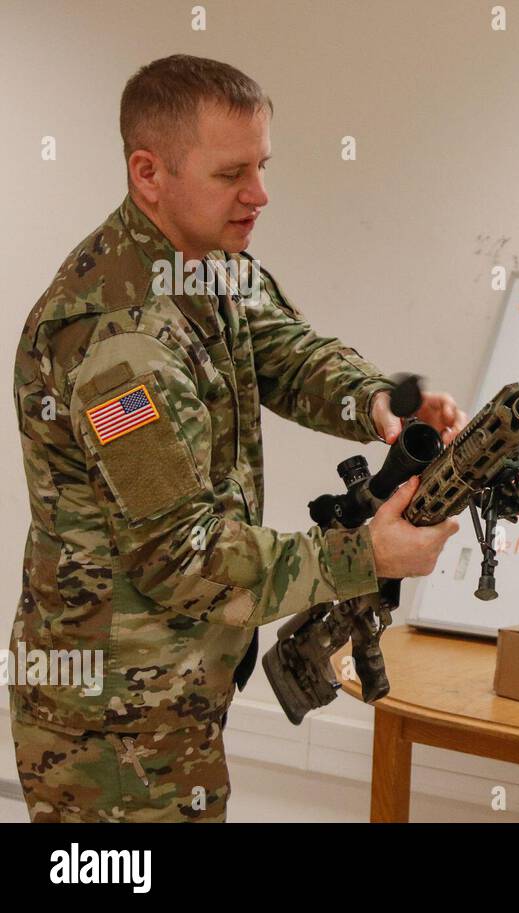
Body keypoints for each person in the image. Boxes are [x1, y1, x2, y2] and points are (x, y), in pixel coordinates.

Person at [9, 55, 467, 822]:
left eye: (261, 165)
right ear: (149, 173)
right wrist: (366, 556)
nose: (260, 194)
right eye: (232, 174)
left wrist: (377, 397)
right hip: (112, 728)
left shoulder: (203, 263)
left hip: (176, 687)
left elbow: (279, 347)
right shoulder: (120, 345)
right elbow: (181, 557)